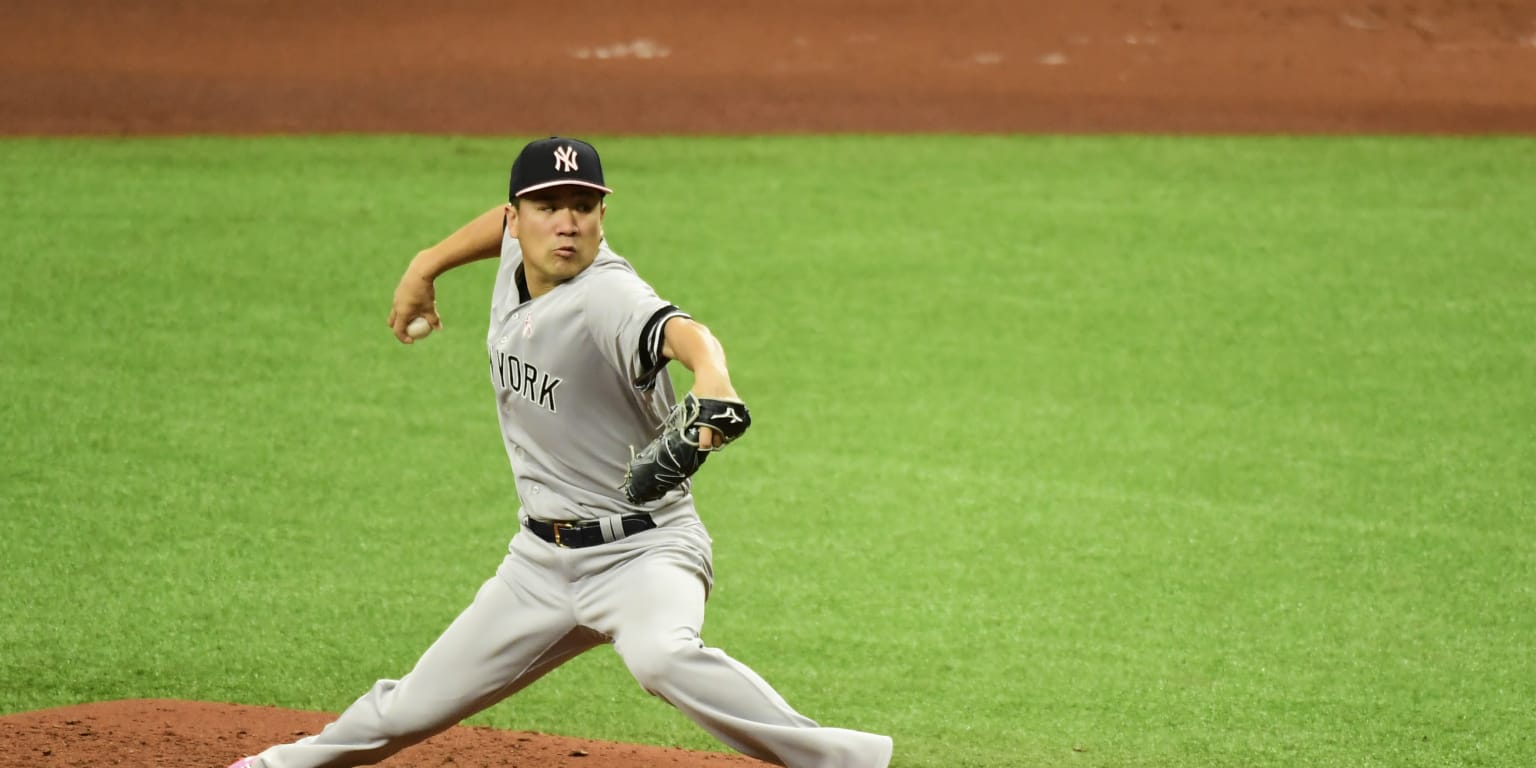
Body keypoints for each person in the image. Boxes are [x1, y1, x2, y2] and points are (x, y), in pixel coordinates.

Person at [226, 137, 893, 768]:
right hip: (539, 567)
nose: (567, 224)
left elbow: (682, 332)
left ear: (604, 215)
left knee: (660, 658)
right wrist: (424, 264)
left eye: (583, 206)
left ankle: (844, 761)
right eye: (549, 207)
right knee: (410, 708)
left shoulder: (607, 295)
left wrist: (713, 379)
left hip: (643, 551)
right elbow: (496, 224)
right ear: (519, 220)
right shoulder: (520, 253)